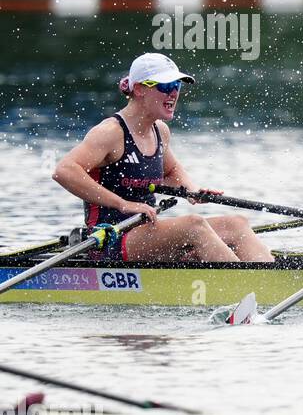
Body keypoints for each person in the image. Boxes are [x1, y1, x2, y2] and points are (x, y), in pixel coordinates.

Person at [52, 53, 273, 262]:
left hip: (148, 232)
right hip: (110, 240)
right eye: (166, 86)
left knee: (237, 225)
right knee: (193, 225)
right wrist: (123, 204)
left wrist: (191, 189)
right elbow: (64, 171)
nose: (173, 93)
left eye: (176, 86)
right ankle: (245, 286)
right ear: (139, 89)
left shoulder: (160, 131)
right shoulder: (111, 133)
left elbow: (172, 171)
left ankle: (268, 284)